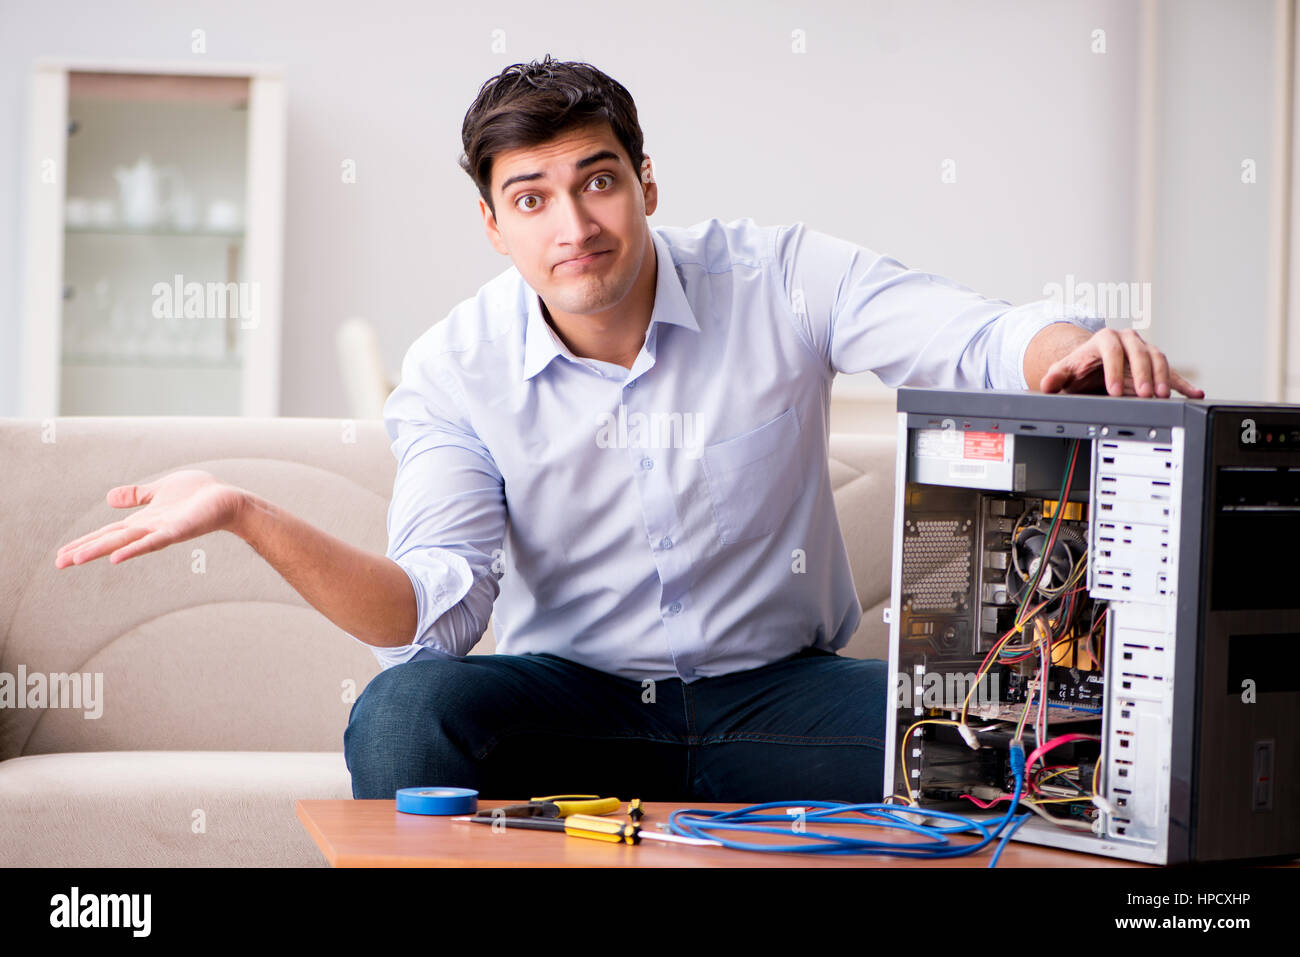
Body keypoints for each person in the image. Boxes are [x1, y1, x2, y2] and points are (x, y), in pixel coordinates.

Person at [54, 55, 1203, 804]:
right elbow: (430, 613)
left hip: (780, 697)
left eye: (597, 181)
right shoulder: (455, 368)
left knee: (1032, 745)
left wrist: (1072, 350)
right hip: (576, 702)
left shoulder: (780, 275)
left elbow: (968, 337)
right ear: (494, 225)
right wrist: (249, 515)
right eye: (532, 197)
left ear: (647, 183)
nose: (575, 225)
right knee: (402, 720)